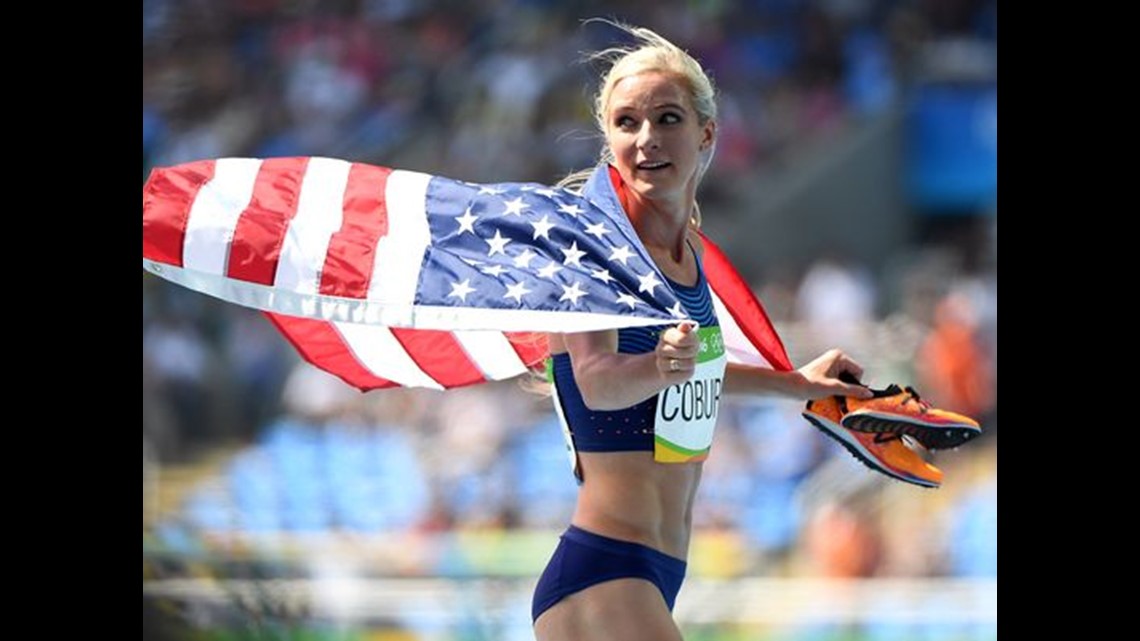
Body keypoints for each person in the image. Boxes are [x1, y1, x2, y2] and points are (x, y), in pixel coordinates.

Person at [532, 22, 874, 641]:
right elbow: (597, 385)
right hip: (603, 571)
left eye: (667, 119)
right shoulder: (592, 254)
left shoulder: (687, 258)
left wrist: (796, 384)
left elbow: (696, 372)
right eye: (627, 123)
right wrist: (657, 366)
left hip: (656, 570)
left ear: (706, 133)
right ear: (608, 139)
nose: (646, 138)